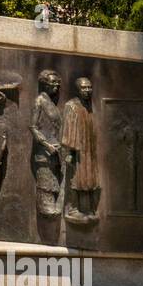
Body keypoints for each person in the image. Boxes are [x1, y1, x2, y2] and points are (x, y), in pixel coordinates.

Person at [61, 77, 101, 224]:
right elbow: (67, 131)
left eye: (89, 87)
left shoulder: (88, 105)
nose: (87, 90)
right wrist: (70, 152)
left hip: (88, 150)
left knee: (88, 178)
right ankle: (73, 208)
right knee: (76, 179)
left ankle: (87, 208)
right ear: (78, 90)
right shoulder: (71, 106)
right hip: (76, 151)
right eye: (84, 88)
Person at [31, 70, 64, 219]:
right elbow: (32, 127)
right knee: (45, 182)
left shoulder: (52, 102)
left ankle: (51, 207)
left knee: (54, 182)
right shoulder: (40, 100)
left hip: (56, 149)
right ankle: (45, 208)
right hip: (44, 151)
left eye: (58, 84)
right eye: (53, 84)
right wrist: (46, 145)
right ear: (45, 85)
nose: (56, 87)